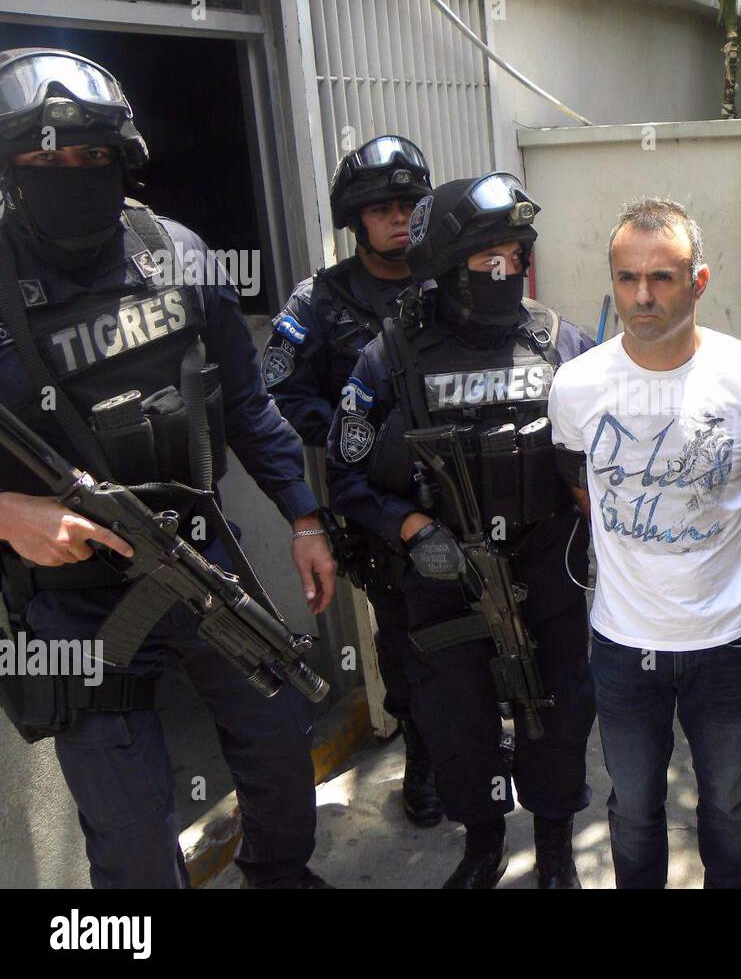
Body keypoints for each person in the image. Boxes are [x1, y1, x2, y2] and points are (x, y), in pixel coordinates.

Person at [0, 48, 337, 888]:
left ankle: (280, 874)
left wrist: (303, 516)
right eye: (43, 156)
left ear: (122, 158)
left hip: (196, 556)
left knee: (279, 744)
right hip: (69, 605)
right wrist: (10, 513)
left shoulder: (177, 252)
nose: (68, 171)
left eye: (89, 155)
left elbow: (250, 406)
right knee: (134, 842)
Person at [326, 171, 595, 889]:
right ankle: (481, 845)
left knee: (557, 712)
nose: (505, 270)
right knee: (458, 721)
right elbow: (343, 471)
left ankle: (557, 849)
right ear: (446, 266)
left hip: (547, 564)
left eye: (515, 254)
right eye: (486, 258)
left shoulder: (559, 339)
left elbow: (610, 449)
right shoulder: (390, 356)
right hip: (444, 577)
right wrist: (411, 527)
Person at [548, 197, 741, 889]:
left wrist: (708, 528)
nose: (642, 295)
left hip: (729, 637)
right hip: (627, 643)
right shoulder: (576, 384)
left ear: (699, 281)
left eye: (662, 276)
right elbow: (580, 479)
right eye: (627, 277)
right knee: (632, 807)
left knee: (728, 798)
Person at [264, 135, 442, 827]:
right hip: (376, 504)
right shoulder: (321, 298)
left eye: (411, 205)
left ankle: (476, 748)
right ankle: (424, 753)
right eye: (384, 208)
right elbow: (274, 390)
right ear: (356, 217)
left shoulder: (448, 281)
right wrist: (356, 433)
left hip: (460, 488)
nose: (401, 219)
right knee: (404, 639)